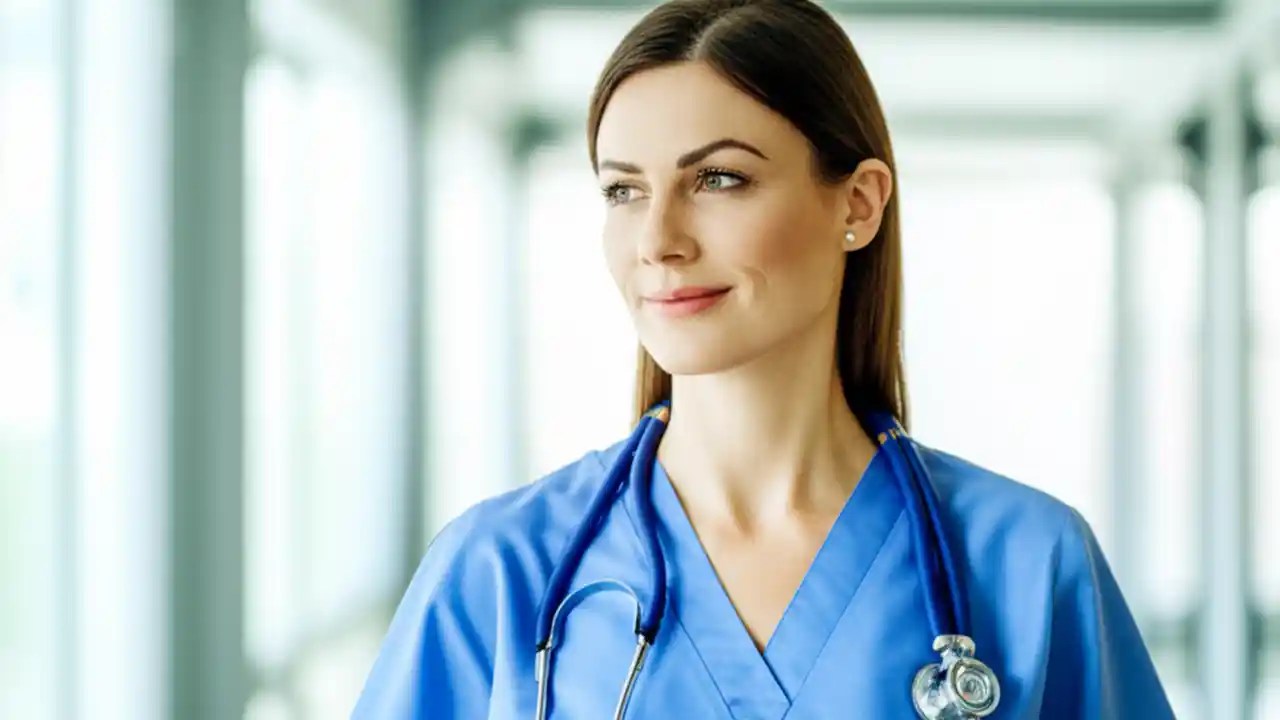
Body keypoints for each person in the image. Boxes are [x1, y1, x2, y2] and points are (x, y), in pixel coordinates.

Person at [353, 0, 1174, 717]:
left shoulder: (1027, 564)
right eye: (623, 190)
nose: (658, 241)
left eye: (717, 179)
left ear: (857, 204)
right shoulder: (500, 572)